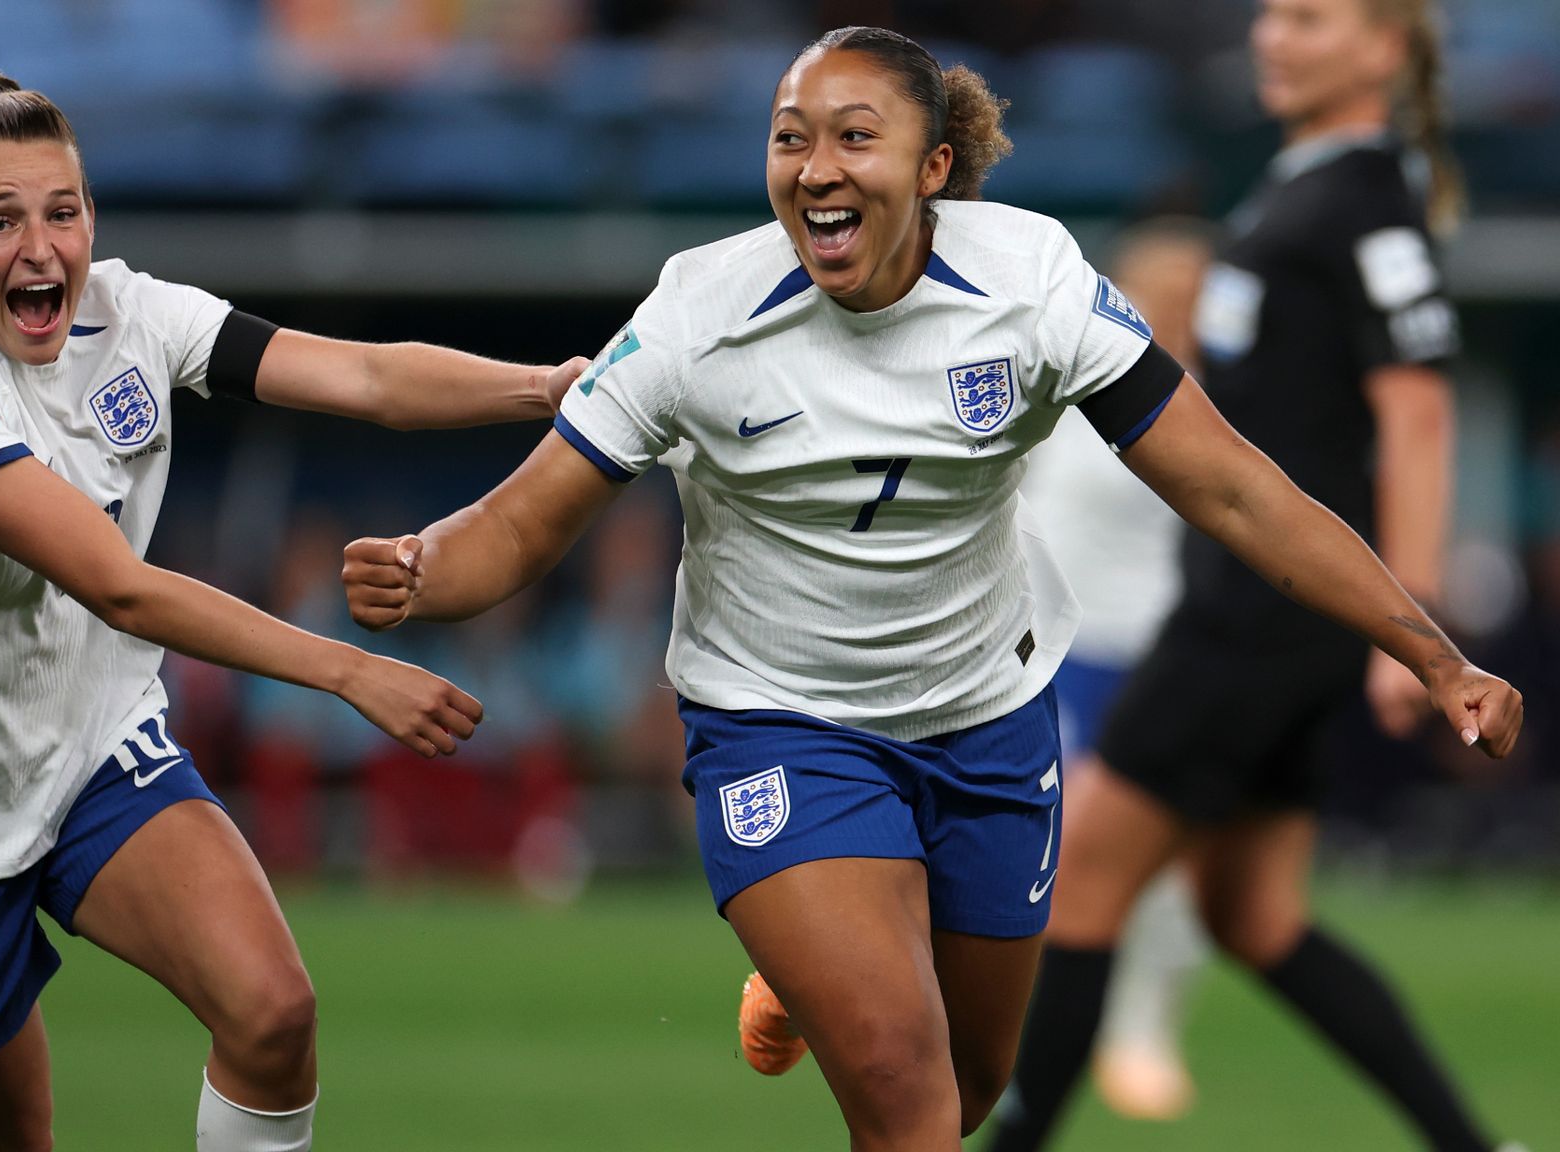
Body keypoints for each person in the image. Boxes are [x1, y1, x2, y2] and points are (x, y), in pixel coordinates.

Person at [338, 26, 1521, 1151]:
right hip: (779, 723)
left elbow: (1235, 494)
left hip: (983, 719)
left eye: (854, 137)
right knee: (904, 1085)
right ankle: (822, 937)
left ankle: (813, 969)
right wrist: (421, 570)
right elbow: (519, 524)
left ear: (935, 167)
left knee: (960, 1091)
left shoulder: (1031, 283)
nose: (813, 169)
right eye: (788, 136)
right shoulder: (697, 313)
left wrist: (1432, 651)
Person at [0, 72, 585, 1152]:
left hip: (95, 751)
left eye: (63, 211)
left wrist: (546, 389)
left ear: (90, 217)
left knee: (273, 1013)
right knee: (5, 1135)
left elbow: (367, 379)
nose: (41, 247)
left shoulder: (131, 312)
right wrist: (348, 670)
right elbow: (119, 585)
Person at [983, 3, 1524, 1151]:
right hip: (1258, 616)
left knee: (1079, 892)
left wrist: (1411, 633)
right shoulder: (1297, 191)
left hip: (1252, 619)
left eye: (1309, 18)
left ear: (1383, 49)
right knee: (1253, 914)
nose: (1274, 37)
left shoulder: (1362, 205)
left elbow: (1415, 412)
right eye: (1271, 16)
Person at [1016, 218, 1212, 1121]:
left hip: (1167, 654)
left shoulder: (1221, 406)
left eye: (1196, 292)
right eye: (1167, 289)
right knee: (1041, 847)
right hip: (1060, 649)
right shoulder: (1075, 377)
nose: (1183, 307)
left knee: (1166, 862)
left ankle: (1143, 1030)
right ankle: (1025, 1023)